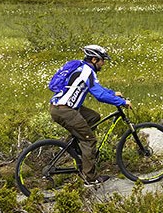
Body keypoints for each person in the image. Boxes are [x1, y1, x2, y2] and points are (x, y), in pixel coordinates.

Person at [49, 44, 129, 184]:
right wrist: (121, 102)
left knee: (93, 117)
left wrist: (112, 93)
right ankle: (90, 178)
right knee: (89, 140)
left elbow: (97, 88)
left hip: (61, 107)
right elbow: (99, 95)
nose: (103, 64)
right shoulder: (87, 72)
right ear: (94, 59)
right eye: (102, 60)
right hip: (65, 110)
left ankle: (76, 149)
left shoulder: (82, 67)